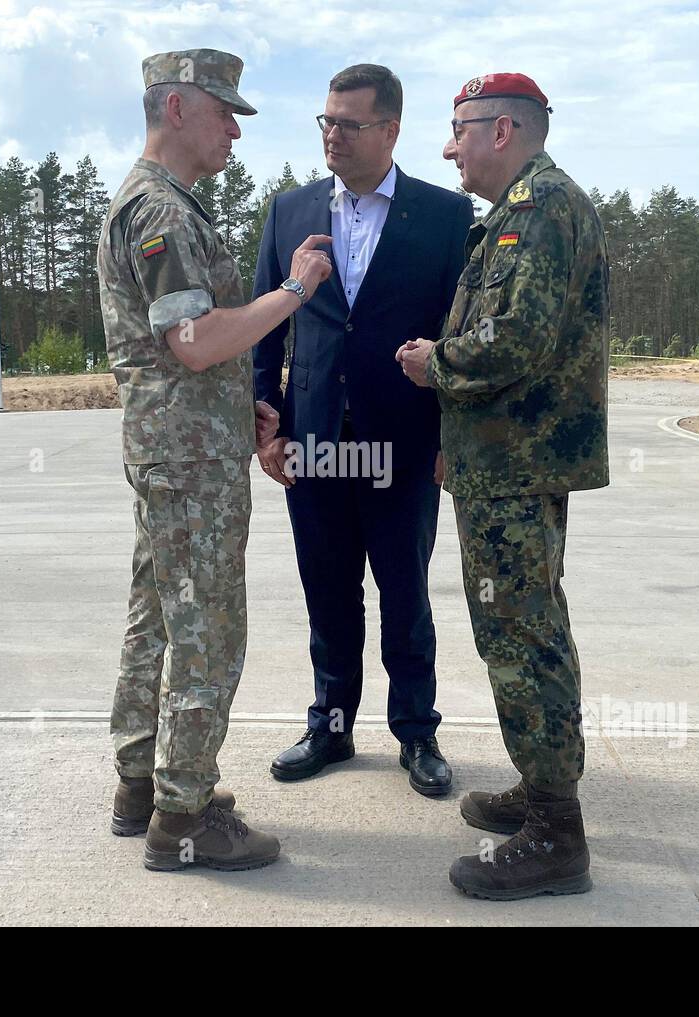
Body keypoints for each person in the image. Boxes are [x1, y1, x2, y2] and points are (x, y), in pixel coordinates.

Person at [99, 47, 332, 872]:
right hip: (188, 466)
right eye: (223, 110)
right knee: (207, 631)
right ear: (176, 110)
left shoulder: (160, 204)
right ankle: (184, 816)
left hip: (177, 449)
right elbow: (193, 342)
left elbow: (185, 350)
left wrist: (243, 402)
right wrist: (295, 289)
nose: (236, 129)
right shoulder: (158, 212)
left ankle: (144, 782)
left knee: (157, 617)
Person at [397, 72, 610, 899]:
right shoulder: (522, 211)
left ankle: (557, 830)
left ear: (502, 131)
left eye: (458, 130)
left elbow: (517, 338)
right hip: (502, 462)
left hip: (519, 468)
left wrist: (433, 364)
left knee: (522, 638)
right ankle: (540, 789)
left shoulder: (540, 209)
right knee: (519, 631)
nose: (447, 148)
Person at [253, 64, 475, 796]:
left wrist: (451, 436)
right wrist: (268, 422)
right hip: (314, 441)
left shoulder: (445, 218)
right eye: (325, 122)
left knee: (404, 594)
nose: (332, 137)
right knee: (328, 591)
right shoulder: (289, 211)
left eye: (348, 124)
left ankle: (417, 731)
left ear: (390, 130)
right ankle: (332, 725)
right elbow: (266, 328)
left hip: (402, 442)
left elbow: (460, 331)